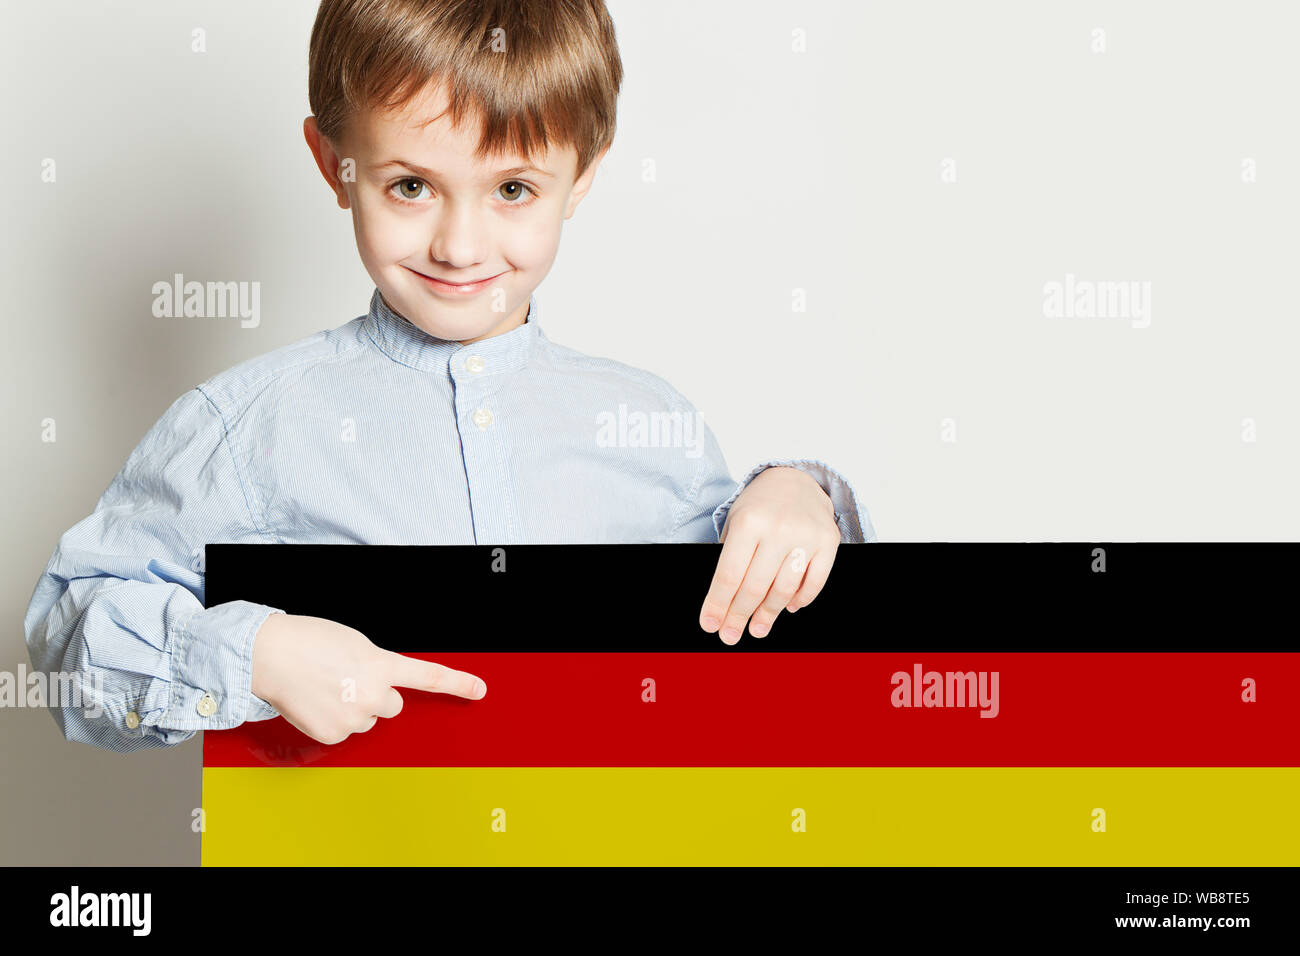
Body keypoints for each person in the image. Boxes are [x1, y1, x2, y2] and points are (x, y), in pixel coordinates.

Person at [23, 0, 877, 754]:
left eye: (512, 187)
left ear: (582, 174)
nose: (460, 247)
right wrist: (252, 656)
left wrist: (802, 496)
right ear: (335, 165)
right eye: (410, 186)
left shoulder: (648, 424)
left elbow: (764, 607)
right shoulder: (243, 429)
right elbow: (69, 633)